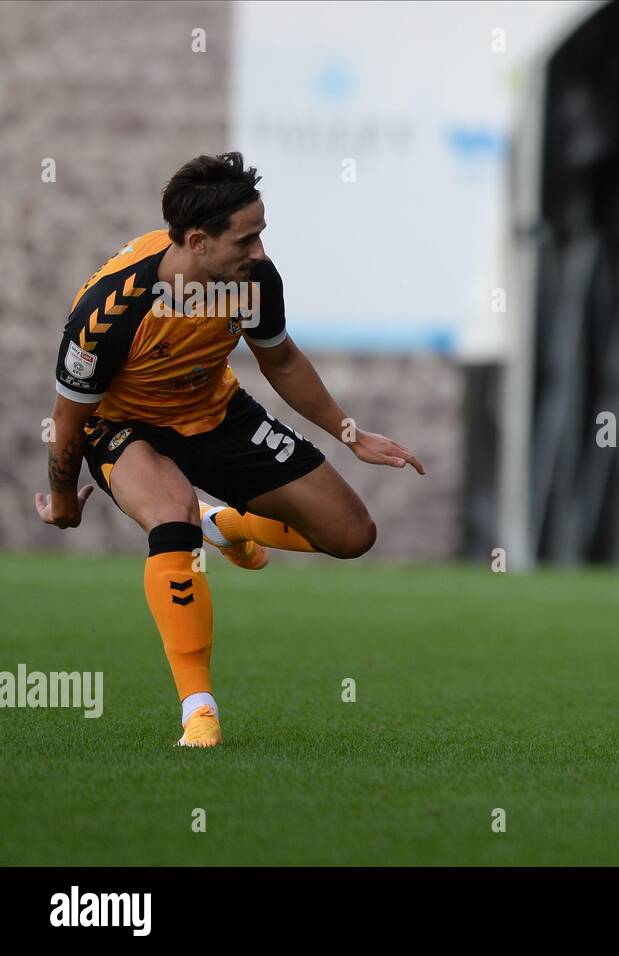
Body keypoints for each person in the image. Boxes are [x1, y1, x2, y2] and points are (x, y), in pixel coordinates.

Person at [35, 152, 425, 748]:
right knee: (171, 518)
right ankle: (199, 709)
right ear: (198, 241)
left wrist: (351, 433)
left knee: (352, 535)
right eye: (248, 237)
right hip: (126, 426)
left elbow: (281, 359)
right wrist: (63, 499)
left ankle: (229, 524)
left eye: (261, 233)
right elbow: (67, 422)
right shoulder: (111, 311)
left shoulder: (252, 280)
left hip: (215, 413)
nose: (261, 250)